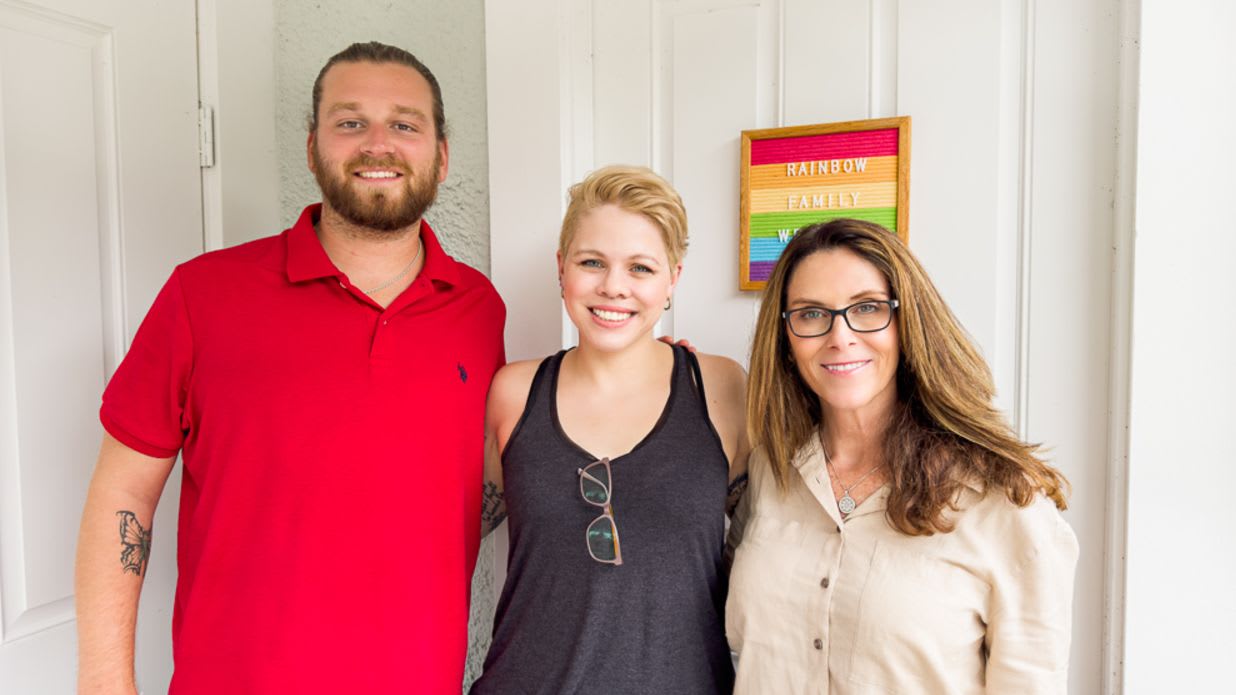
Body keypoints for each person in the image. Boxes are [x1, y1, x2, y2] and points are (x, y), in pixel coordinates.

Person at [74, 42, 505, 694]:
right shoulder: (203, 295)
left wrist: (648, 375)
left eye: (405, 123)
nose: (378, 143)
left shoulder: (478, 311)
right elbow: (124, 492)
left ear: (441, 156)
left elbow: (489, 484)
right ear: (312, 149)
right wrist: (104, 683)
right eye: (350, 121)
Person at [726, 218, 1078, 693]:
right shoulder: (770, 471)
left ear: (908, 322)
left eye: (868, 308)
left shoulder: (1004, 503)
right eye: (810, 314)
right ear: (785, 340)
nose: (840, 336)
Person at [470, 165, 749, 694]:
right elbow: (443, 538)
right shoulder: (513, 392)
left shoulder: (719, 388)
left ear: (673, 279)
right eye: (592, 262)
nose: (613, 287)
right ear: (562, 269)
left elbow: (772, 538)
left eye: (641, 268)